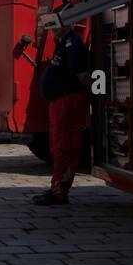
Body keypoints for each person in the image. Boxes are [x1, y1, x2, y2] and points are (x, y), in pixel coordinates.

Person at [33, 21, 93, 205]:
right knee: (58, 147)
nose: (52, 29)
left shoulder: (73, 43)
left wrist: (100, 94)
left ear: (68, 24)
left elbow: (83, 75)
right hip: (61, 103)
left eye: (56, 24)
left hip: (68, 103)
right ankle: (57, 188)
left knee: (65, 147)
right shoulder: (65, 42)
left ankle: (59, 191)